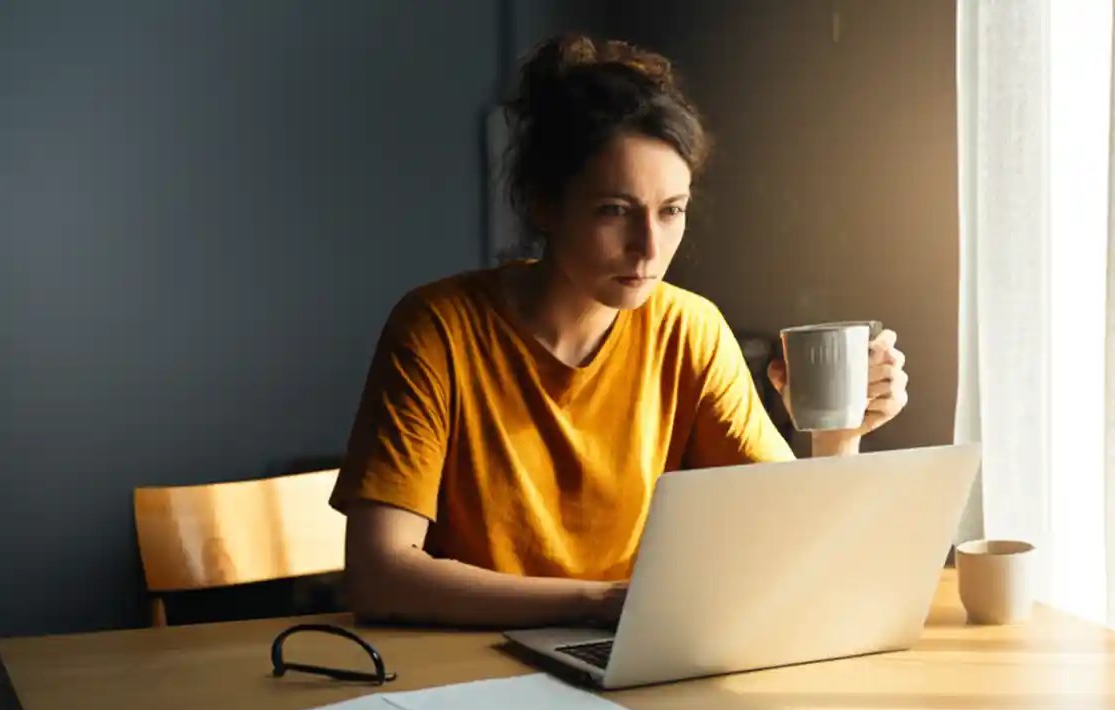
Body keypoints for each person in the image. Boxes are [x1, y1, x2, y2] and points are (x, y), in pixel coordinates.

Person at [329, 34, 908, 629]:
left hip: (628, 653)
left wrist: (837, 436)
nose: (649, 248)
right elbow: (379, 574)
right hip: (470, 661)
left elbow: (799, 555)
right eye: (614, 210)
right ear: (543, 205)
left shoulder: (689, 329)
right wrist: (600, 603)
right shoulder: (440, 329)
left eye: (670, 210)